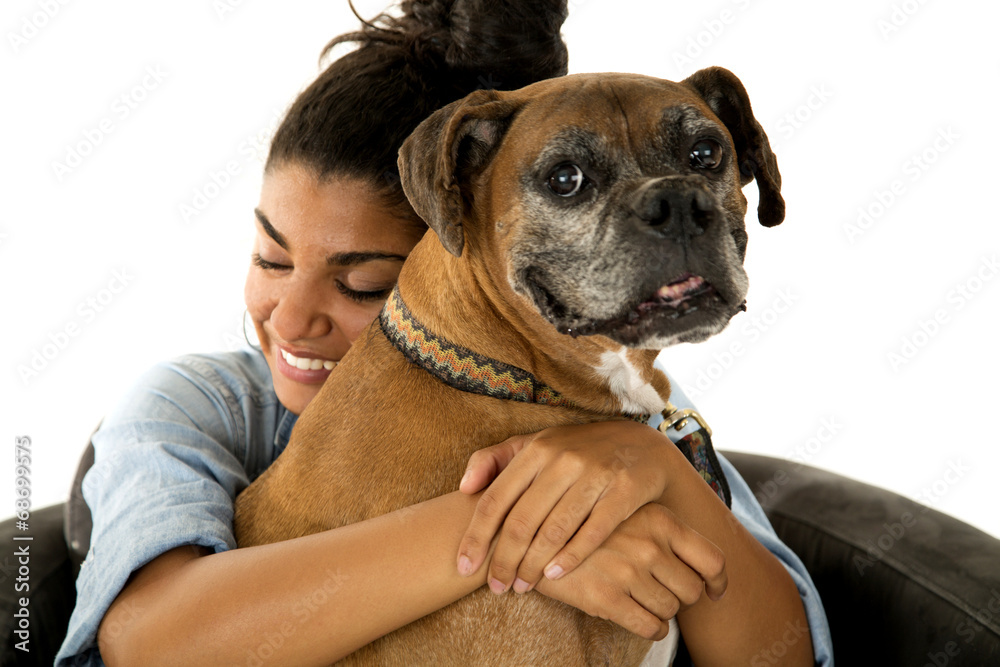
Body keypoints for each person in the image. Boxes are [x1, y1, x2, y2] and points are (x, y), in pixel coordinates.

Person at [56, 1, 833, 665]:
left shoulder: (637, 400)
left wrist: (649, 462)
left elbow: (783, 649)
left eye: (368, 285)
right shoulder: (206, 405)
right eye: (270, 256)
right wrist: (513, 534)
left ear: (450, 265)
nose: (292, 319)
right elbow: (151, 643)